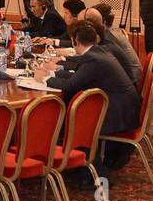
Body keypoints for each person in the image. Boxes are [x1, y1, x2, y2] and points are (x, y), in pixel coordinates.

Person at [44, 22, 139, 173]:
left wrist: (44, 79)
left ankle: (92, 171)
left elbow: (69, 85)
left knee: (75, 116)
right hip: (125, 108)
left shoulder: (93, 58)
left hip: (117, 114)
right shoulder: (98, 52)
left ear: (75, 41)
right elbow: (80, 75)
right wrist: (53, 73)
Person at [93, 3, 142, 85]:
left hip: (131, 79)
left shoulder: (109, 37)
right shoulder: (114, 32)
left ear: (103, 22)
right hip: (131, 75)